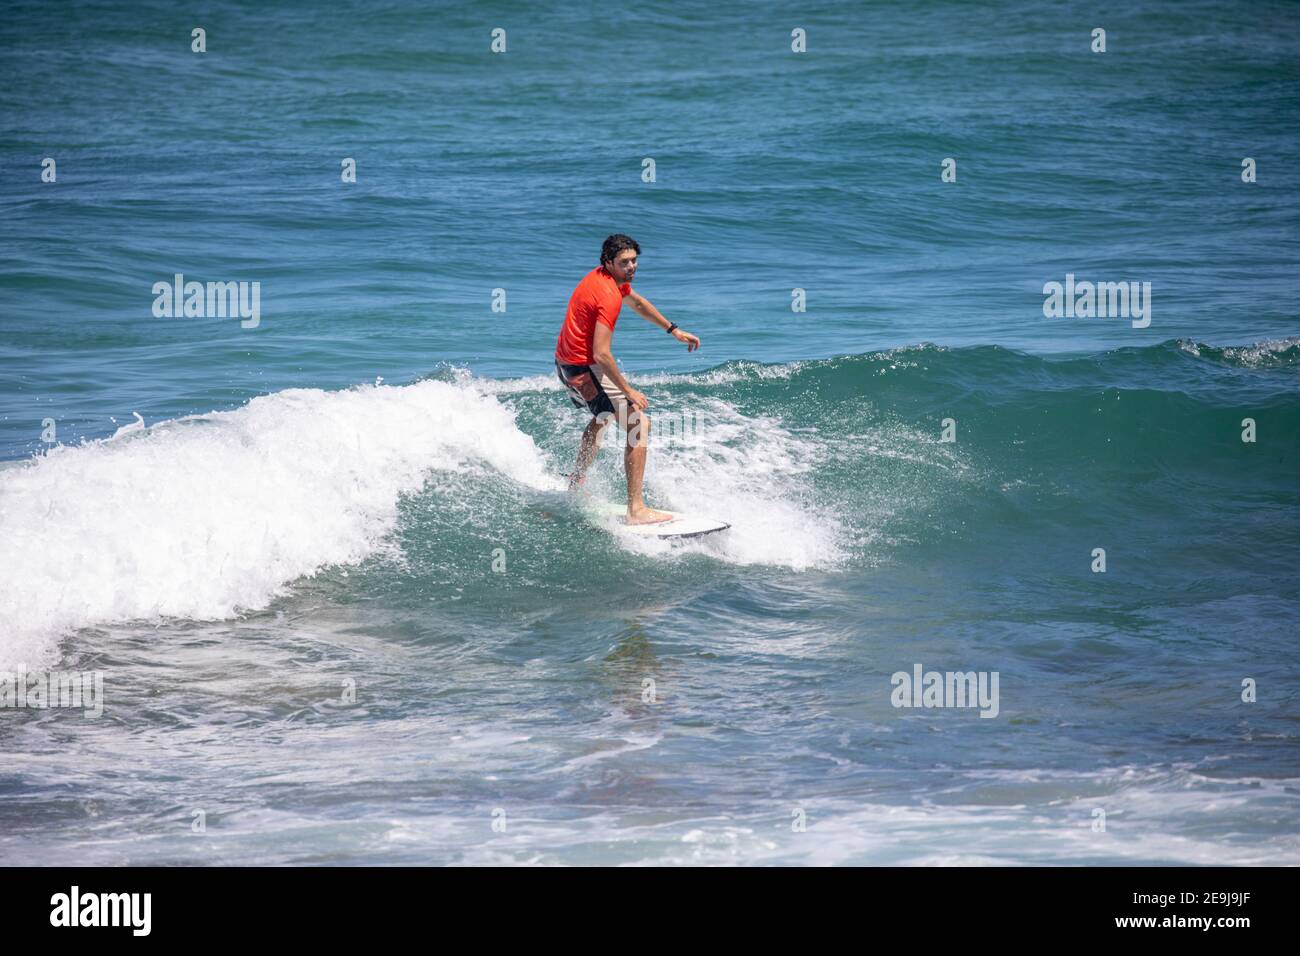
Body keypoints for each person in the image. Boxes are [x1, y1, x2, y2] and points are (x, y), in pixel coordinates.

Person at [554, 234, 701, 525]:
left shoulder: (604, 279)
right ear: (608, 262)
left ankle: (576, 483)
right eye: (625, 262)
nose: (632, 266)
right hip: (584, 367)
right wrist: (628, 390)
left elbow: (637, 302)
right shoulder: (607, 295)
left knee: (603, 415)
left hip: (565, 362)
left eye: (634, 260)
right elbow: (602, 353)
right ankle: (636, 509)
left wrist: (673, 330)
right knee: (639, 424)